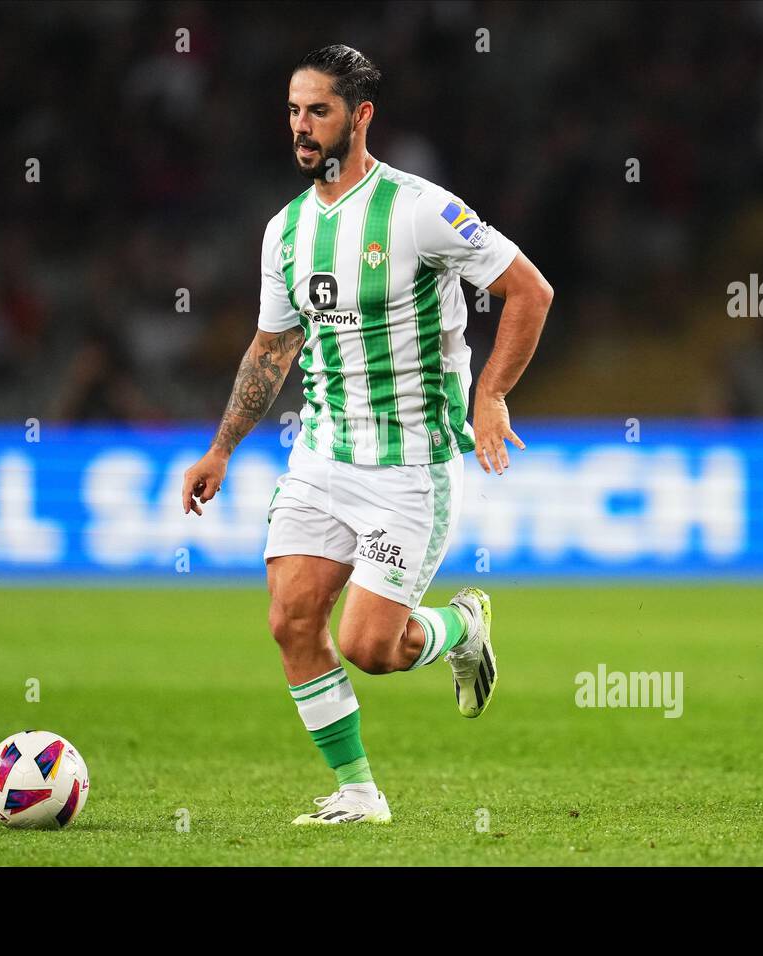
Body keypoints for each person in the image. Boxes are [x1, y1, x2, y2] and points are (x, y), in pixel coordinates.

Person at [182, 45, 553, 825]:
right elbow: (272, 349)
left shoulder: (420, 210)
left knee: (372, 648)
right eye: (293, 110)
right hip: (322, 453)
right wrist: (222, 447)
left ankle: (462, 625)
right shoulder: (284, 233)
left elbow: (529, 290)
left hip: (409, 466)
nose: (302, 126)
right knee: (289, 619)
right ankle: (358, 794)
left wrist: (491, 395)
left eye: (318, 110)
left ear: (361, 115)